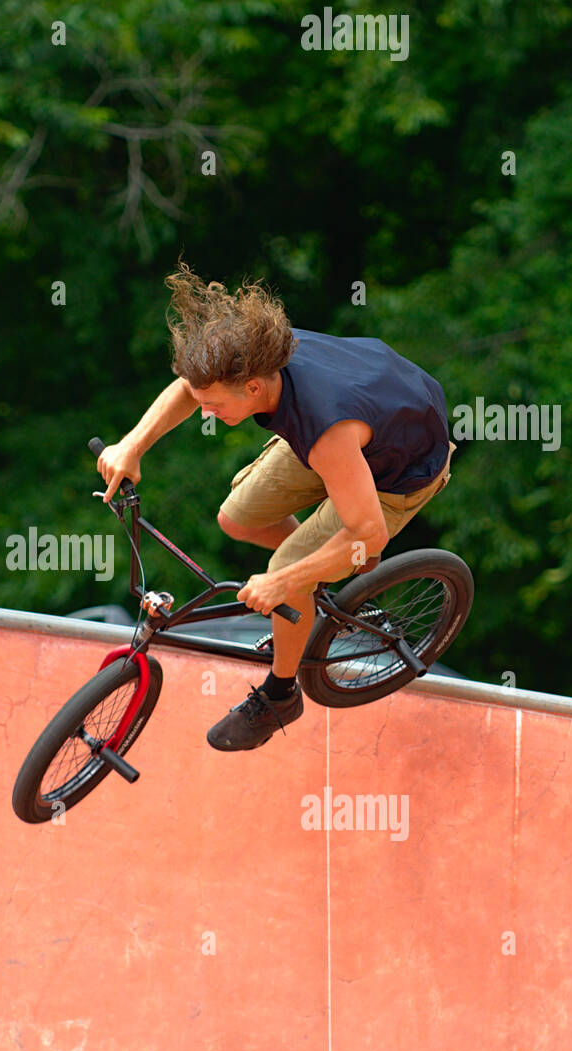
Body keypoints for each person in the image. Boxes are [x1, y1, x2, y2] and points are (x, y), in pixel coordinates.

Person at [96, 263, 456, 751]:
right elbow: (188, 387)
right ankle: (331, 569)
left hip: (398, 469)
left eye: (213, 404)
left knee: (290, 568)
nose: (205, 412)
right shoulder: (252, 357)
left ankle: (281, 694)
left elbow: (369, 531)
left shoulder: (326, 431)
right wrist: (132, 445)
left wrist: (287, 580)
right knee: (237, 518)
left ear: (253, 391)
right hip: (357, 425)